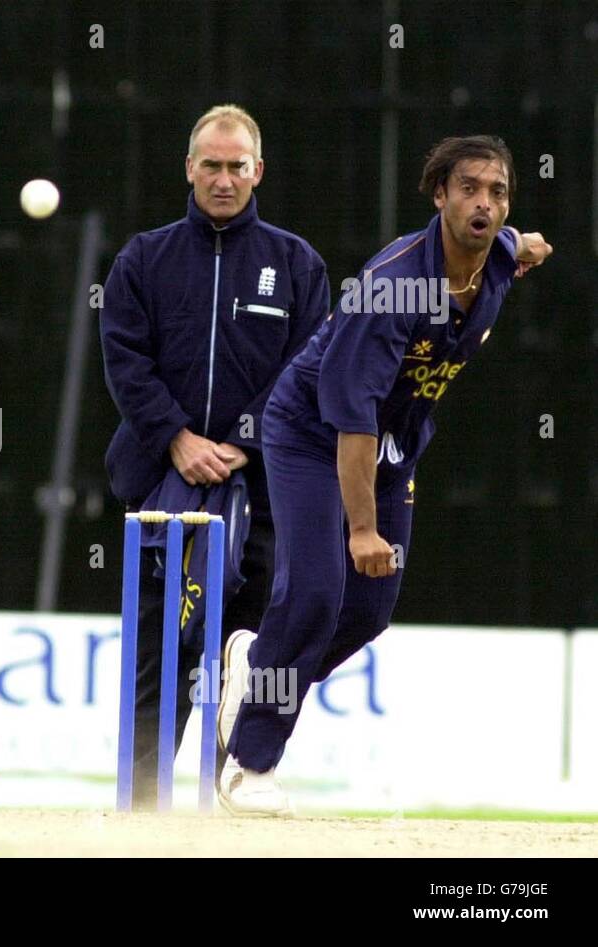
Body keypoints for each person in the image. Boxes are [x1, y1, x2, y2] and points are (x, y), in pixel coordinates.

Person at [218, 136, 553, 816]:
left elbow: (518, 243)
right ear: (440, 195)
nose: (483, 203)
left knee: (369, 611)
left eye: (497, 192)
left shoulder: (497, 255)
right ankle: (251, 763)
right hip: (316, 433)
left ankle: (260, 672)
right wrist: (362, 529)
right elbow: (352, 422)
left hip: (393, 443)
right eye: (469, 189)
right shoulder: (392, 288)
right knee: (314, 591)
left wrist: (528, 247)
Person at [99, 105, 330, 808]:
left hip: (263, 490)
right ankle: (143, 806)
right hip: (160, 484)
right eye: (211, 164)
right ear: (189, 168)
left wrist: (243, 440)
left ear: (258, 170)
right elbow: (124, 358)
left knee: (248, 653)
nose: (224, 178)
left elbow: (311, 362)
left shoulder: (296, 264)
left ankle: (240, 791)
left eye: (237, 166)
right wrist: (176, 438)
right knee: (157, 651)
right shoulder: (144, 257)